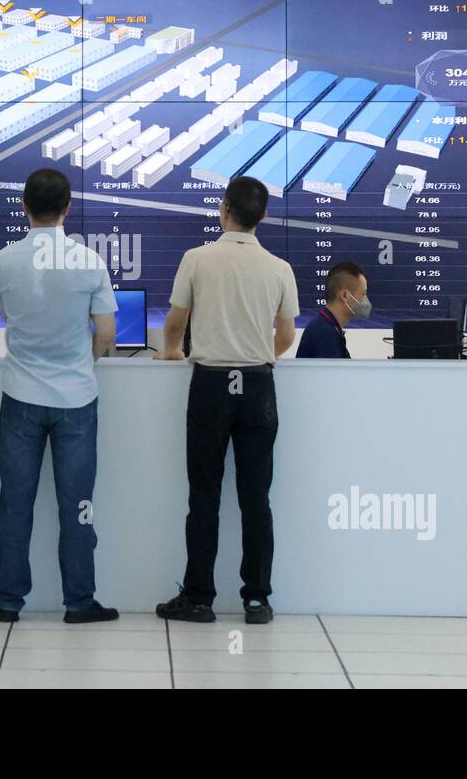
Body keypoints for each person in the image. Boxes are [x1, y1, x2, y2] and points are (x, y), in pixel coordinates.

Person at [155, 176, 299, 625]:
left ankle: (198, 598)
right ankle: (257, 599)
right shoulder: (279, 267)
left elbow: (175, 324)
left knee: (204, 494)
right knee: (256, 496)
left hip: (211, 386)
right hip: (258, 387)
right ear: (263, 216)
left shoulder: (197, 259)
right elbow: (286, 335)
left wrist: (174, 352)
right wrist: (256, 357)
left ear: (224, 210)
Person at [0, 168, 120, 624]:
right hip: (76, 399)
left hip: (20, 394)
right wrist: (86, 360)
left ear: (23, 206)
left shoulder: (3, 260)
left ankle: (7, 601)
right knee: (77, 504)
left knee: (14, 501)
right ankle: (79, 602)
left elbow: (7, 317)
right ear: (68, 208)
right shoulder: (90, 262)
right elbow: (106, 334)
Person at [296, 261, 370, 359]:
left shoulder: (330, 328)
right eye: (363, 294)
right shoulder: (324, 335)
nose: (366, 300)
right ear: (345, 296)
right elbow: (333, 374)